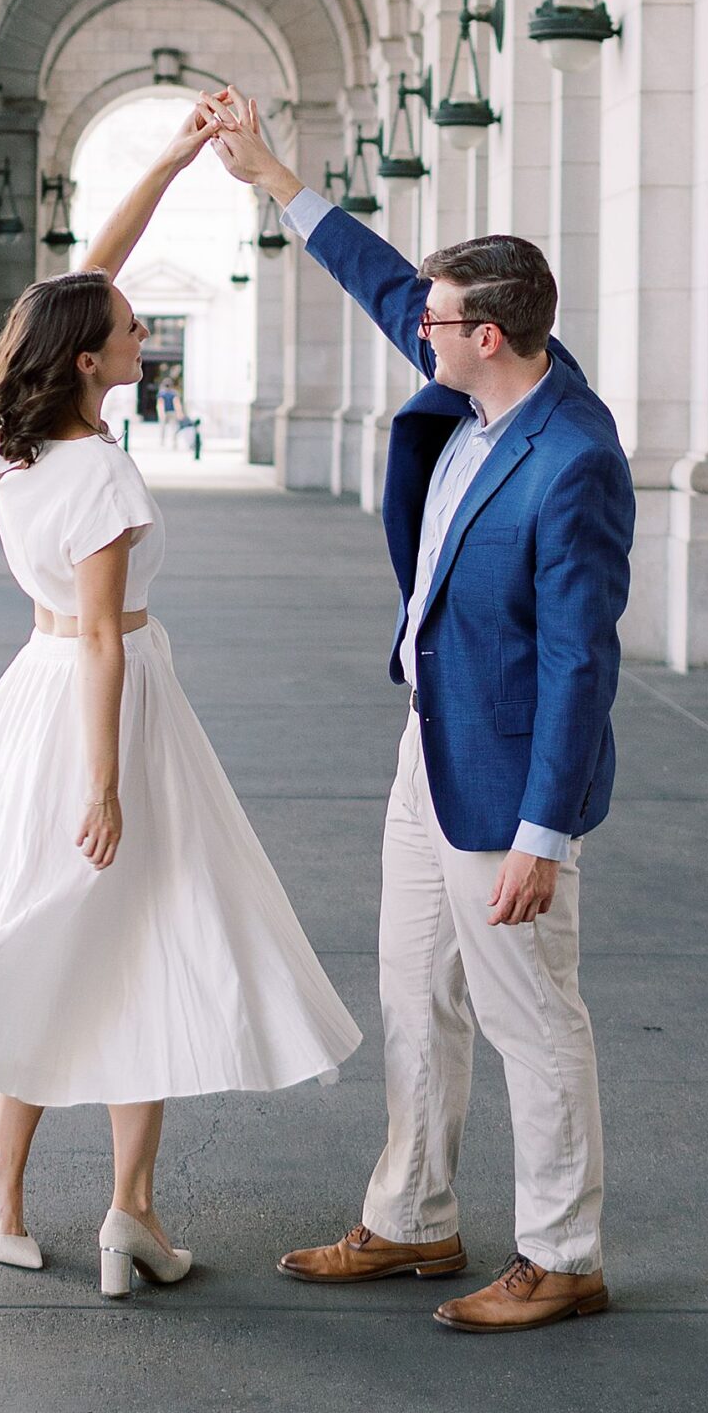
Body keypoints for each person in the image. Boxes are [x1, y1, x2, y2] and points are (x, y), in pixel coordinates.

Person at [0, 101, 360, 1299]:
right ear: (89, 361)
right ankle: (96, 1197)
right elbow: (102, 638)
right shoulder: (100, 476)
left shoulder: (16, 442)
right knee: (144, 930)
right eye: (129, 330)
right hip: (106, 706)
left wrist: (173, 161)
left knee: (87, 934)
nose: (141, 330)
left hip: (40, 694)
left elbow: (82, 280)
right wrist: (105, 783)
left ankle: (52, 1184)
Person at [203, 89, 633, 1336]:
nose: (415, 329)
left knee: (529, 1014)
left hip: (505, 774)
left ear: (488, 335)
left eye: (436, 323)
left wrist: (543, 835)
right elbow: (388, 282)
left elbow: (580, 664)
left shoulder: (574, 461)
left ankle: (562, 1253)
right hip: (429, 742)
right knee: (414, 989)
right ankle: (412, 1215)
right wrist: (273, 177)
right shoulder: (488, 379)